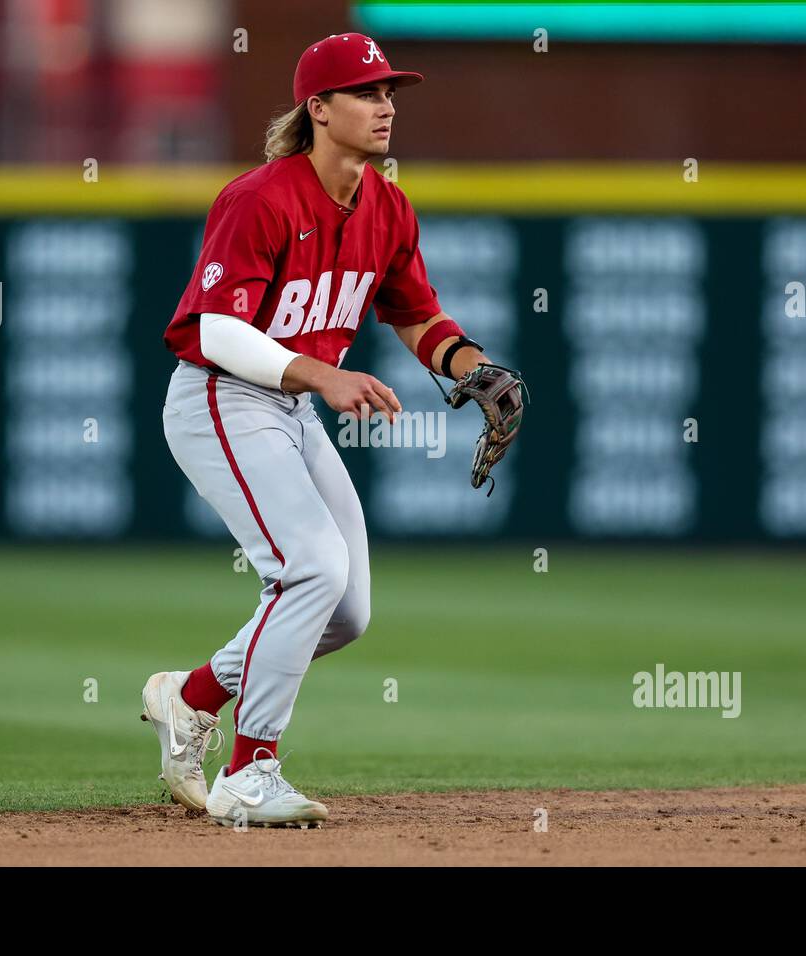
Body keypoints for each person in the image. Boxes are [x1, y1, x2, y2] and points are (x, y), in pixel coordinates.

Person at [141, 32, 491, 828]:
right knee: (308, 568)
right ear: (319, 109)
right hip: (219, 397)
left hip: (287, 409)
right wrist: (322, 374)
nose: (385, 106)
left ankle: (189, 697)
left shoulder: (388, 205)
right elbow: (218, 333)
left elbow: (417, 314)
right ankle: (248, 771)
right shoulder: (260, 197)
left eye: (390, 92)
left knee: (345, 610)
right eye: (367, 93)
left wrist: (472, 366)